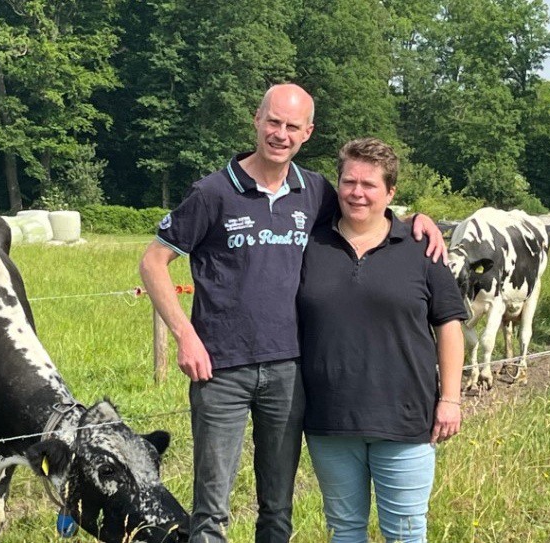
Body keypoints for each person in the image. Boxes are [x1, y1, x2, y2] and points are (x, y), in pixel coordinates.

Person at [139, 84, 446, 543]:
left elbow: (364, 209)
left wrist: (416, 221)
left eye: (292, 126)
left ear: (308, 133)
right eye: (273, 122)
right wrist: (185, 335)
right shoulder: (213, 191)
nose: (280, 134)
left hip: (289, 367)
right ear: (256, 121)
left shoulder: (315, 190)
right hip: (220, 368)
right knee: (212, 508)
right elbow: (153, 262)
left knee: (277, 508)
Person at [297, 138, 466, 543]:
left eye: (370, 185)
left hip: (406, 419)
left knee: (406, 532)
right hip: (329, 419)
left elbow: (449, 326)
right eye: (349, 181)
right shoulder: (308, 245)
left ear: (391, 193)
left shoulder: (422, 248)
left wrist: (451, 399)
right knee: (344, 530)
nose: (357, 192)